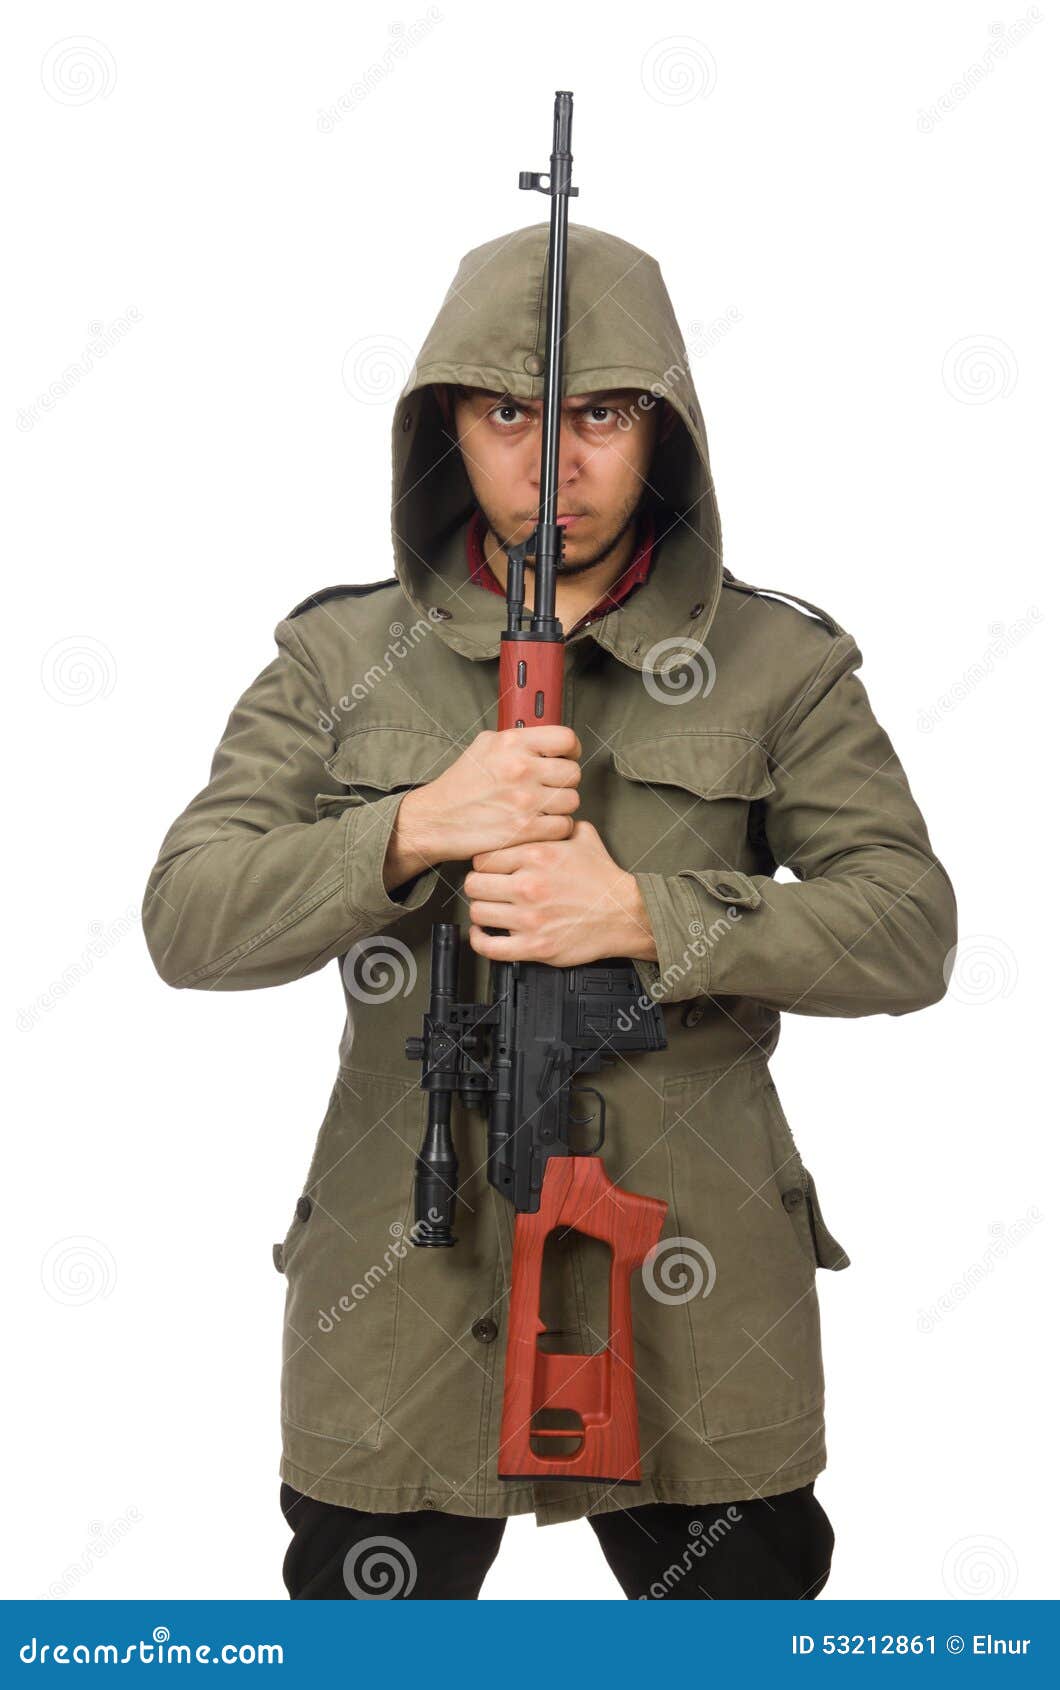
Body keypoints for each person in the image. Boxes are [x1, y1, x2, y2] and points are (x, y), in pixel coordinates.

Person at [142, 222, 957, 1600]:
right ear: (445, 427)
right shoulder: (339, 656)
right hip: (405, 1282)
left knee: (742, 1647)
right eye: (508, 413)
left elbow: (907, 928)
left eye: (603, 414)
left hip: (694, 1280)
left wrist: (648, 914)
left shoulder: (779, 662)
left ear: (666, 430)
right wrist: (412, 827)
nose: (553, 462)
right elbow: (190, 918)